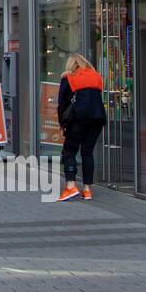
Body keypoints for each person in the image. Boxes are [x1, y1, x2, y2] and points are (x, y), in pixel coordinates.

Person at [55, 53, 107, 201]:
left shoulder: (68, 77)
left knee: (69, 151)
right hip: (98, 118)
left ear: (71, 64)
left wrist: (62, 125)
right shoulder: (96, 76)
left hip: (78, 118)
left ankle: (70, 186)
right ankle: (87, 189)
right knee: (87, 152)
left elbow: (62, 104)